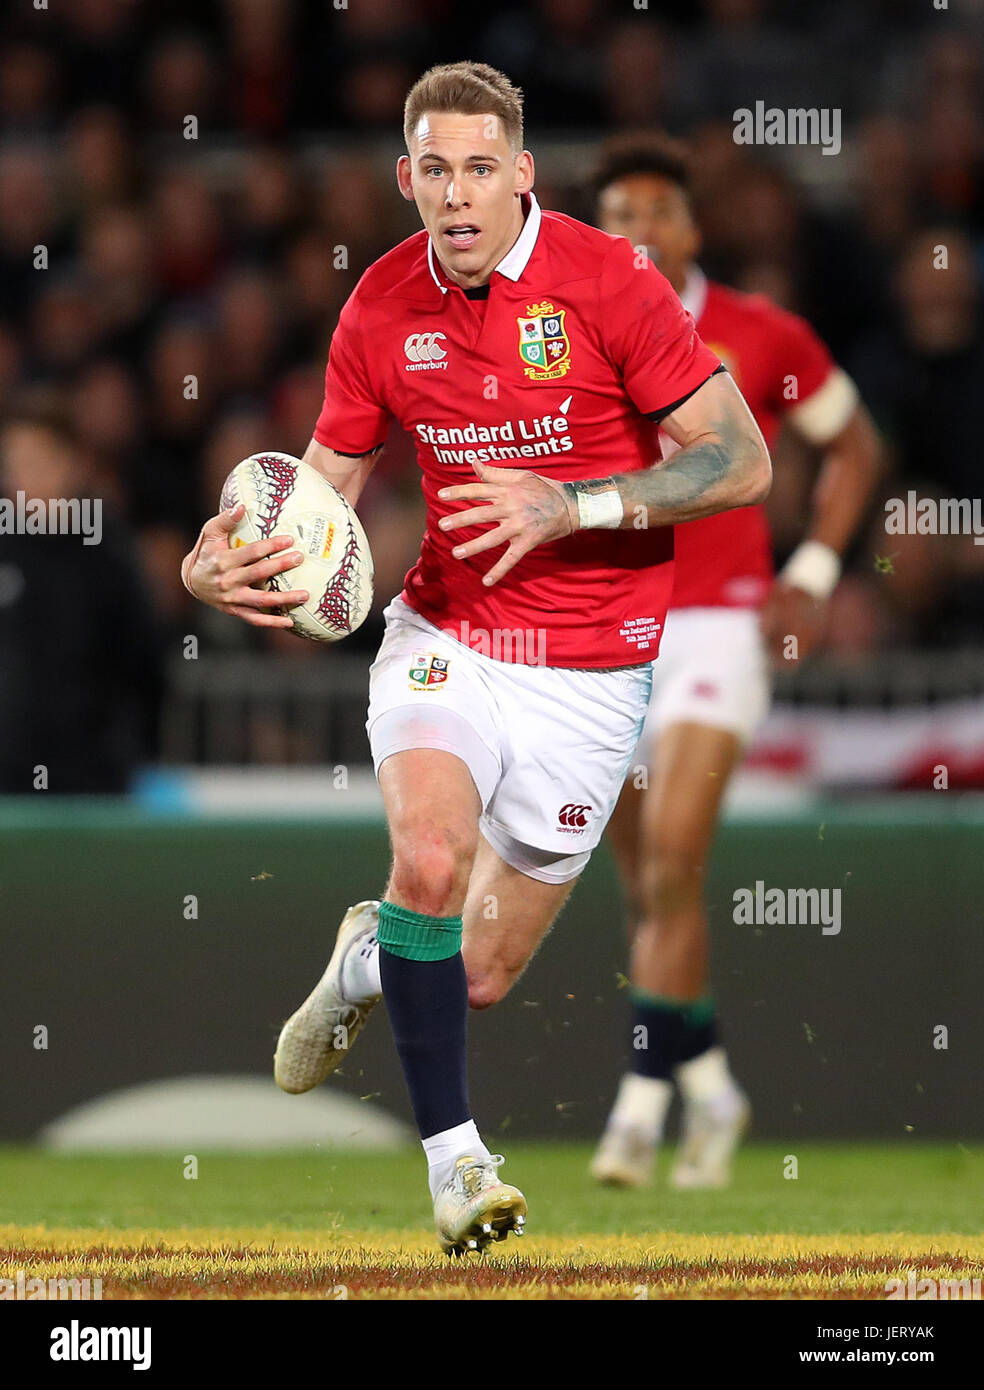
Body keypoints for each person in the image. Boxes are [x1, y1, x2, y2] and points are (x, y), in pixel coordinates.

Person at [180, 66, 771, 1253]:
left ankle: (362, 962)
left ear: (523, 175)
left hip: (595, 668)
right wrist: (217, 556)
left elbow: (741, 459)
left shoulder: (612, 281)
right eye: (436, 171)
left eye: (481, 169)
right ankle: (458, 1166)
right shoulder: (380, 307)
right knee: (430, 855)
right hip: (447, 634)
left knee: (478, 970)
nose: (458, 196)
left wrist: (578, 504)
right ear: (408, 179)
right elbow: (318, 496)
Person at [589, 134, 882, 1189]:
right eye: (618, 213)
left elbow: (856, 445)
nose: (639, 230)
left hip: (719, 623)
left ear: (692, 228)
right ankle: (712, 1083)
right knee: (647, 884)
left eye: (658, 211)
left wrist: (808, 570)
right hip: (609, 630)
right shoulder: (566, 340)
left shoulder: (758, 333)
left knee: (672, 860)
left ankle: (640, 1105)